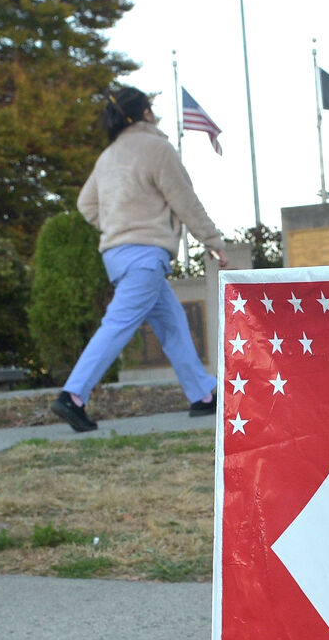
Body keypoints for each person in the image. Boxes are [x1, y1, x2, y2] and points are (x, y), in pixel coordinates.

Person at [50, 87, 224, 432]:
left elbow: (86, 204)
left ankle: (202, 394)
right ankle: (73, 396)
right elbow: (185, 201)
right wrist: (213, 241)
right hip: (145, 254)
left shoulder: (107, 156)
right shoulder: (157, 149)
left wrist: (117, 225)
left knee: (172, 322)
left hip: (117, 254)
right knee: (117, 324)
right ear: (145, 113)